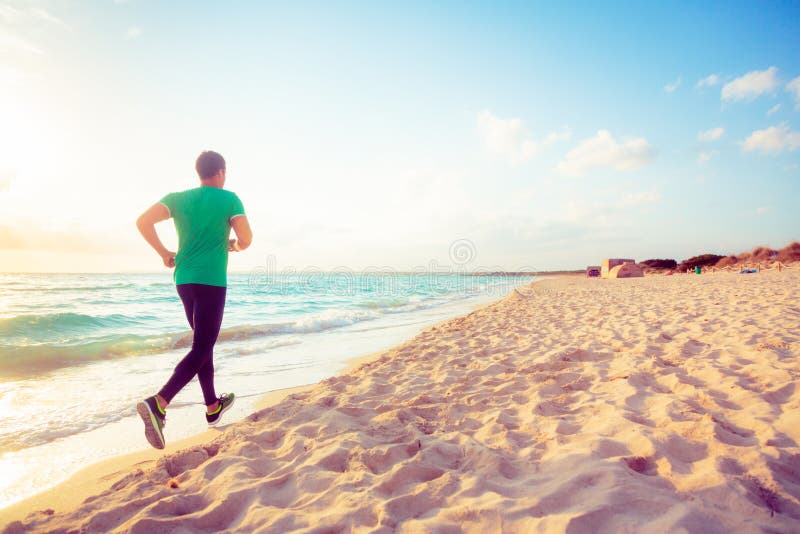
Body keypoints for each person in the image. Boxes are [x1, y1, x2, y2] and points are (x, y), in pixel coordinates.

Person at [134, 150, 252, 449]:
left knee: (203, 344)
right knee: (203, 345)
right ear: (222, 172)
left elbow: (143, 222)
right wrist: (234, 246)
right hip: (212, 280)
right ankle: (158, 402)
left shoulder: (178, 198)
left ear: (198, 173)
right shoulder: (230, 199)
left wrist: (164, 253)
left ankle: (213, 406)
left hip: (184, 279)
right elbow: (247, 239)